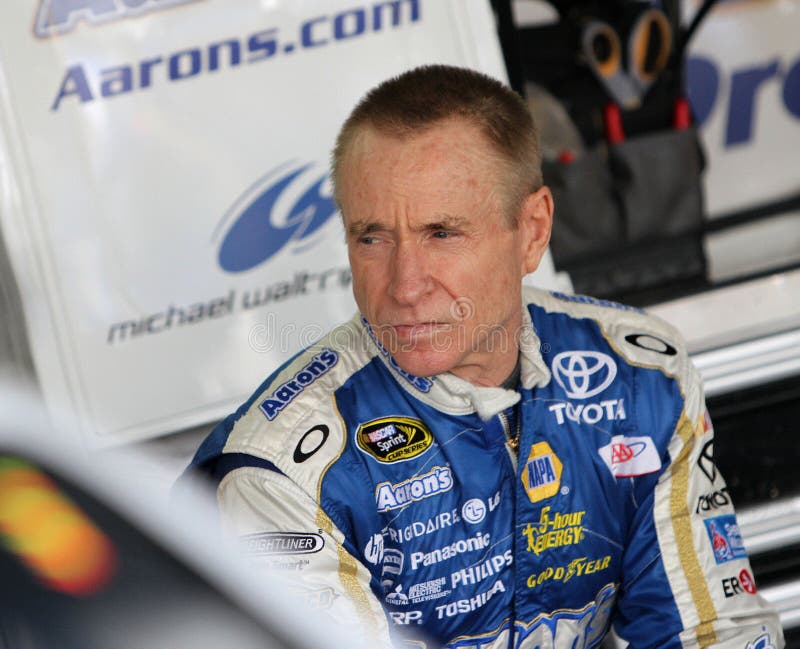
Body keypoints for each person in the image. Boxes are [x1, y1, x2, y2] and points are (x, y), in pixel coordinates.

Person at [184, 65, 783, 648]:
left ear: (532, 231)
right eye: (372, 237)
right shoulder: (284, 472)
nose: (405, 284)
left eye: (441, 233)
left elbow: (709, 633)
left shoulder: (641, 381)